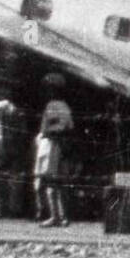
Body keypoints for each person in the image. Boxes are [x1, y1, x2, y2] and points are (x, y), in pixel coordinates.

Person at [35, 75, 73, 227]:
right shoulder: (61, 105)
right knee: (55, 182)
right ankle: (61, 216)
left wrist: (47, 133)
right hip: (51, 144)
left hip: (52, 145)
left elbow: (61, 127)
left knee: (52, 181)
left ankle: (56, 216)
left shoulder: (55, 105)